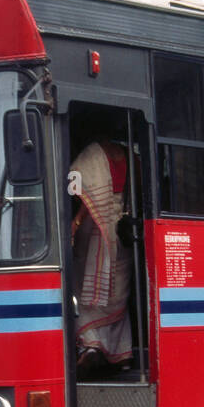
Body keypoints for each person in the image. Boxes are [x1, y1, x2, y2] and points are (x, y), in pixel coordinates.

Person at [69, 136, 133, 375]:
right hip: (120, 234)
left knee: (83, 288)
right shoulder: (130, 157)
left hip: (96, 231)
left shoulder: (92, 153)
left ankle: (92, 346)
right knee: (116, 293)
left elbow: (80, 191)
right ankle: (122, 353)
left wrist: (75, 222)